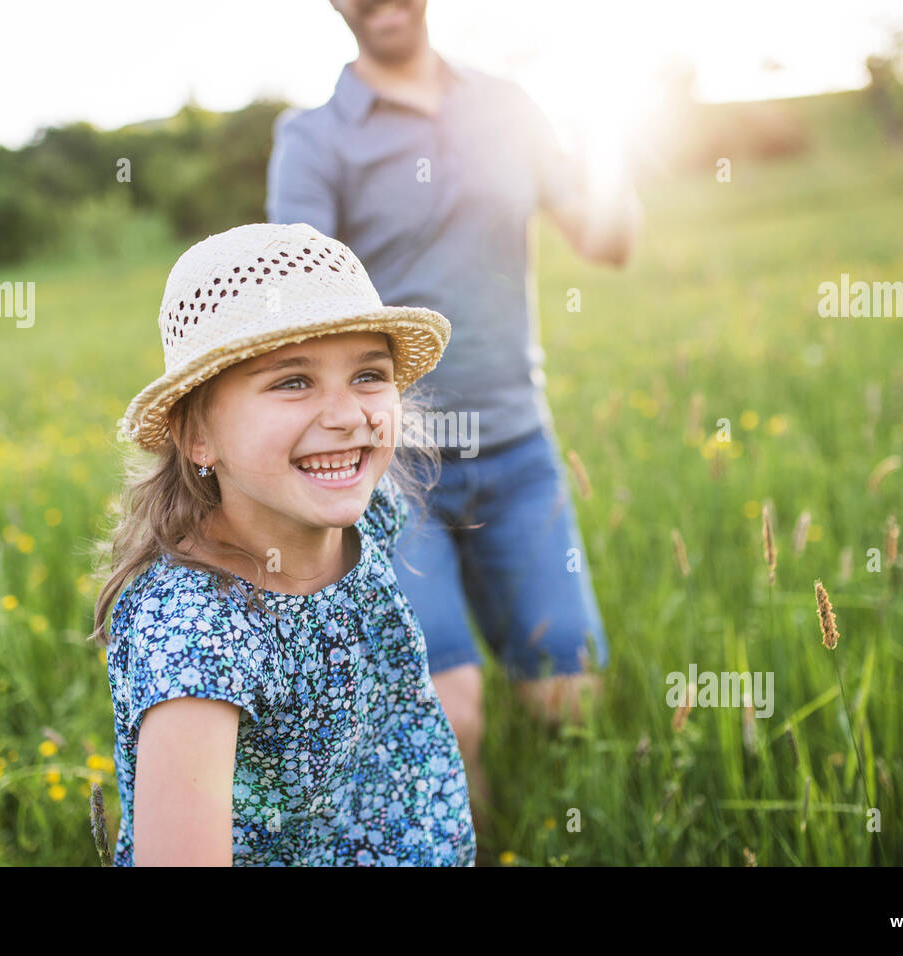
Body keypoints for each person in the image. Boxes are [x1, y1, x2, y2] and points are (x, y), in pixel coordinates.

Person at [266, 0, 639, 841]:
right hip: (390, 470)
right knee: (449, 717)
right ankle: (469, 847)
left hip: (519, 450)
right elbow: (295, 301)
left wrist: (614, 135)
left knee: (569, 703)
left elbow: (605, 240)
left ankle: (573, 833)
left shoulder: (507, 105)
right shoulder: (317, 137)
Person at [92, 221, 475, 866]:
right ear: (196, 437)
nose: (347, 416)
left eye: (369, 375)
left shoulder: (365, 516)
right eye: (293, 382)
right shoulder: (197, 632)